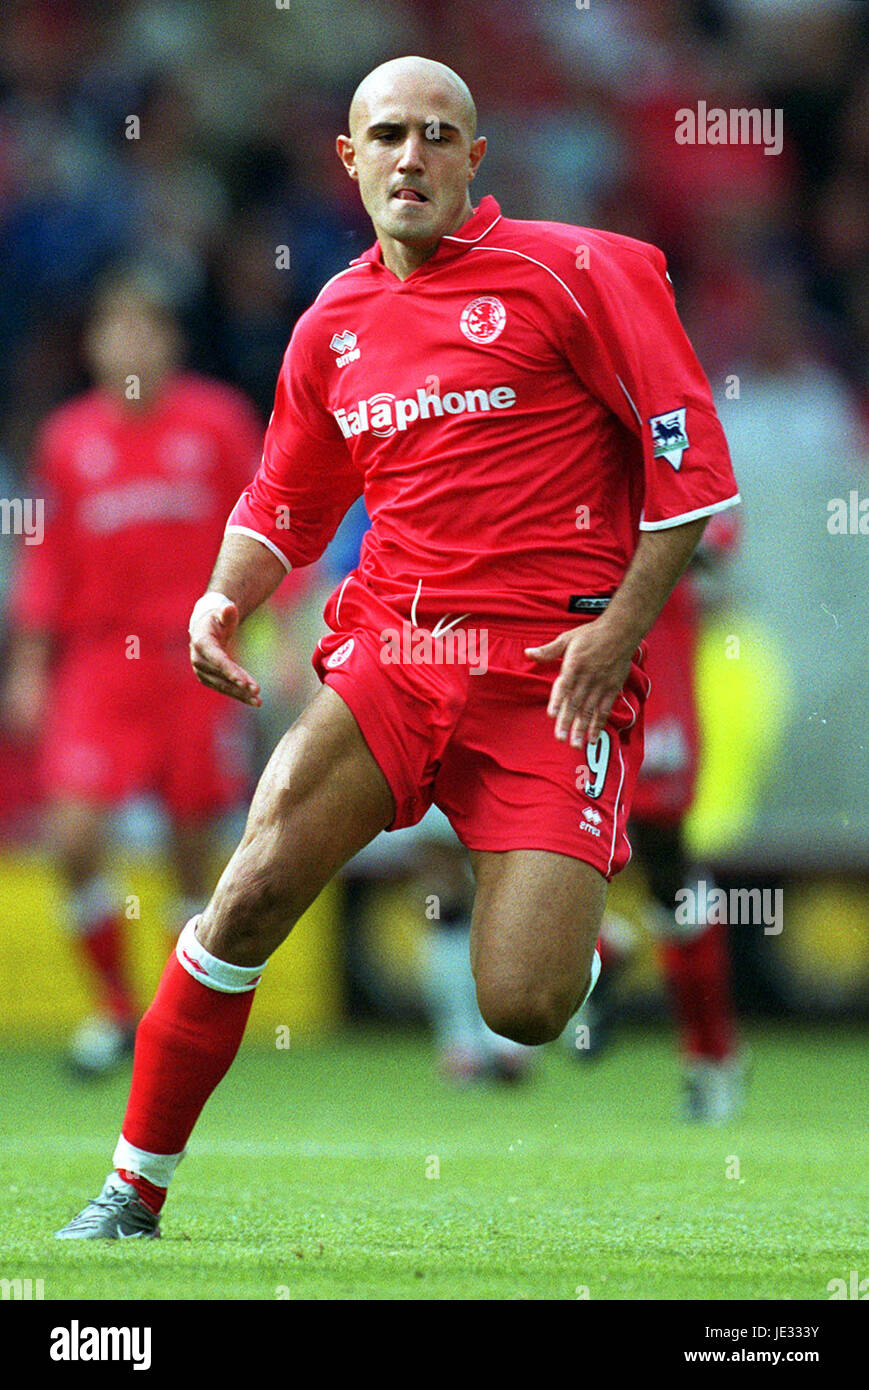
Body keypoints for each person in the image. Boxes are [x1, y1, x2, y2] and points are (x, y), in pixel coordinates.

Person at [56, 56, 739, 1238]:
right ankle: (131, 1188)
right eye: (386, 136)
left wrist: (616, 634)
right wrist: (223, 599)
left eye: (435, 135)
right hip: (397, 656)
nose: (409, 157)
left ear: (475, 158)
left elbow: (690, 473)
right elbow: (283, 501)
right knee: (251, 888)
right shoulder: (332, 321)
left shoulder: (581, 270)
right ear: (350, 158)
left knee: (523, 1005)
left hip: (550, 680)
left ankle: (589, 950)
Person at [4, 267, 262, 1075]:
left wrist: (271, 629)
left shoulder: (217, 423)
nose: (132, 345)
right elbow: (46, 561)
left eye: (147, 330)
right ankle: (116, 1008)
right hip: (96, 664)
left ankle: (178, 1024)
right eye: (117, 331)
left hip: (193, 658)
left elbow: (263, 526)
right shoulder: (68, 438)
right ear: (95, 346)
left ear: (171, 342)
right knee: (74, 837)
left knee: (195, 850)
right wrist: (28, 666)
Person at [567, 512, 747, 1122]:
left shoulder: (672, 428)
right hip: (559, 669)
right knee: (534, 837)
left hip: (653, 670)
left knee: (668, 865)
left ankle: (710, 1059)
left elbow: (714, 541)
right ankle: (594, 950)